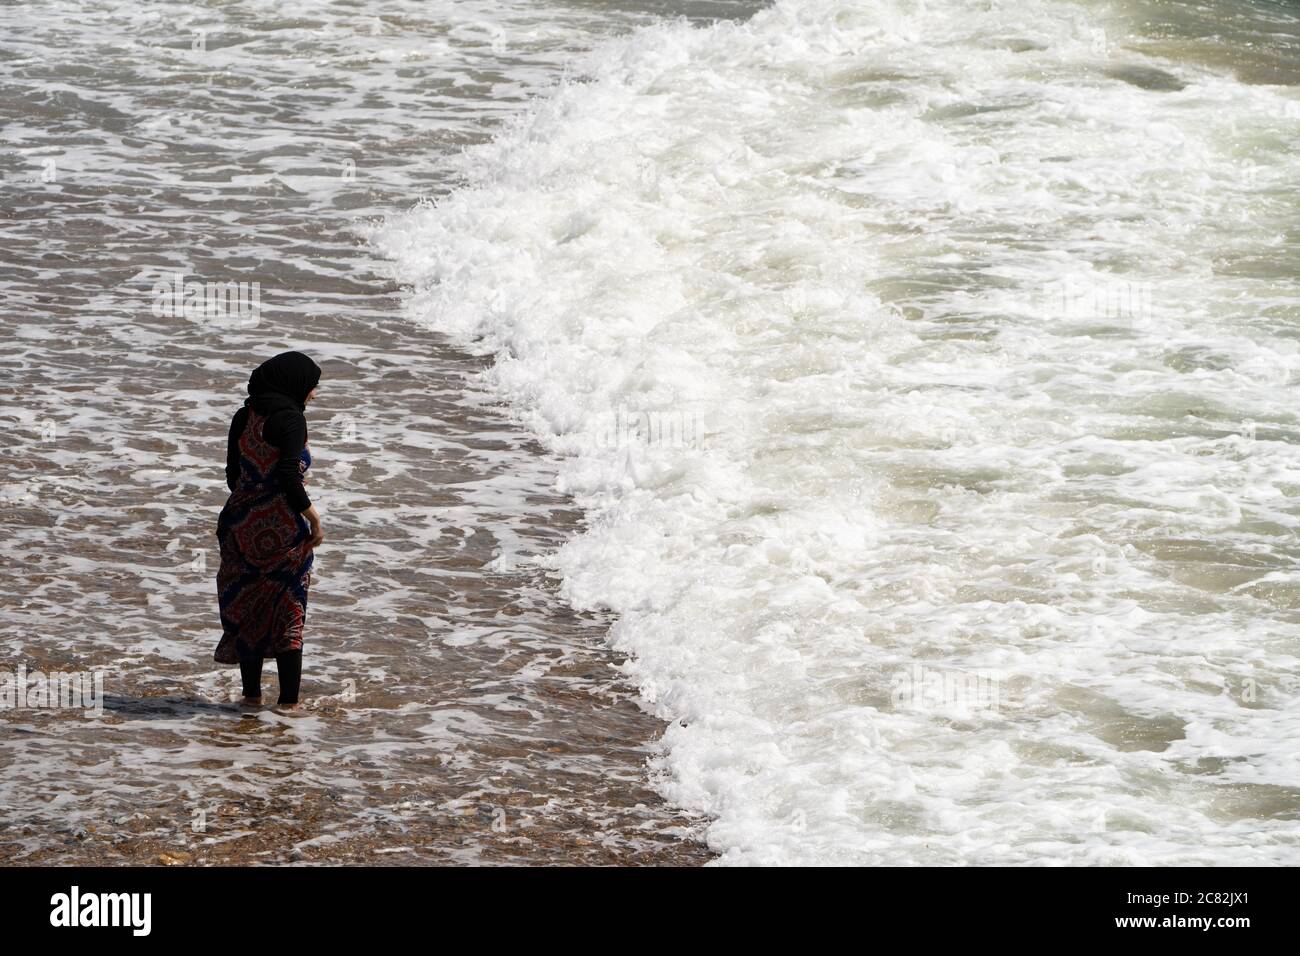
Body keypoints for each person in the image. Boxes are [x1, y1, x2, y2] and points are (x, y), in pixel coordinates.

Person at [214, 351, 324, 712]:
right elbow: (290, 477)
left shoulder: (244, 416)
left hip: (239, 526)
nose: (315, 393)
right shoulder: (291, 419)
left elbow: (233, 476)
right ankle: (289, 704)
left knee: (249, 605)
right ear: (294, 385)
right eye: (313, 386)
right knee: (288, 608)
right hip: (282, 528)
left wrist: (251, 507)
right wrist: (314, 519)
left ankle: (250, 698)